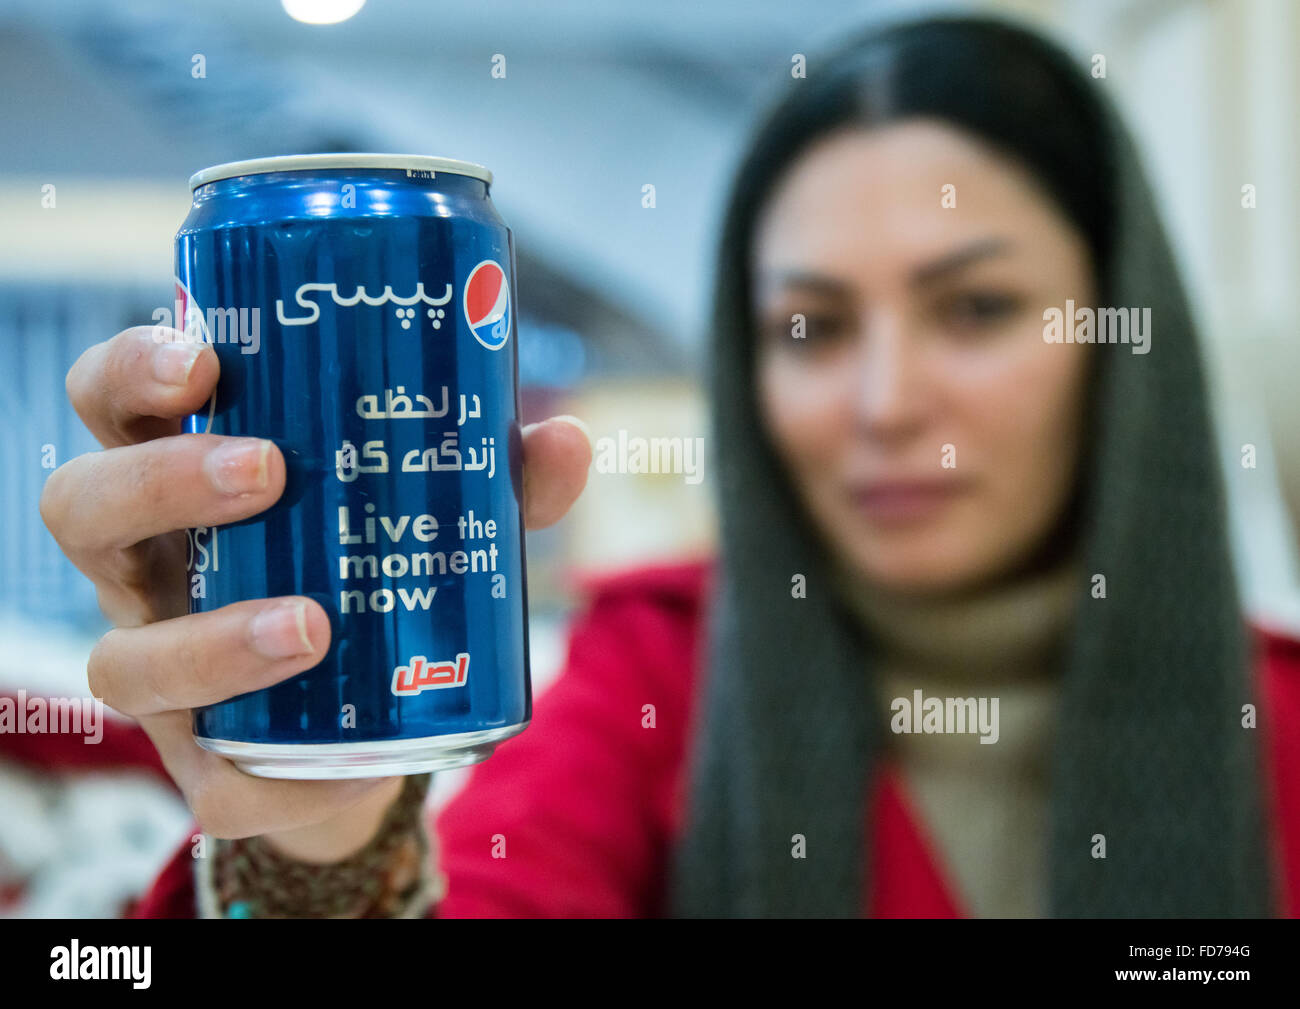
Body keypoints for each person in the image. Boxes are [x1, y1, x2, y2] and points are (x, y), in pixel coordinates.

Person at [40, 13, 1300, 918]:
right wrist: (321, 847)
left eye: (973, 309)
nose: (883, 402)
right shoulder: (655, 674)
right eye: (808, 327)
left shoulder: (1279, 716)